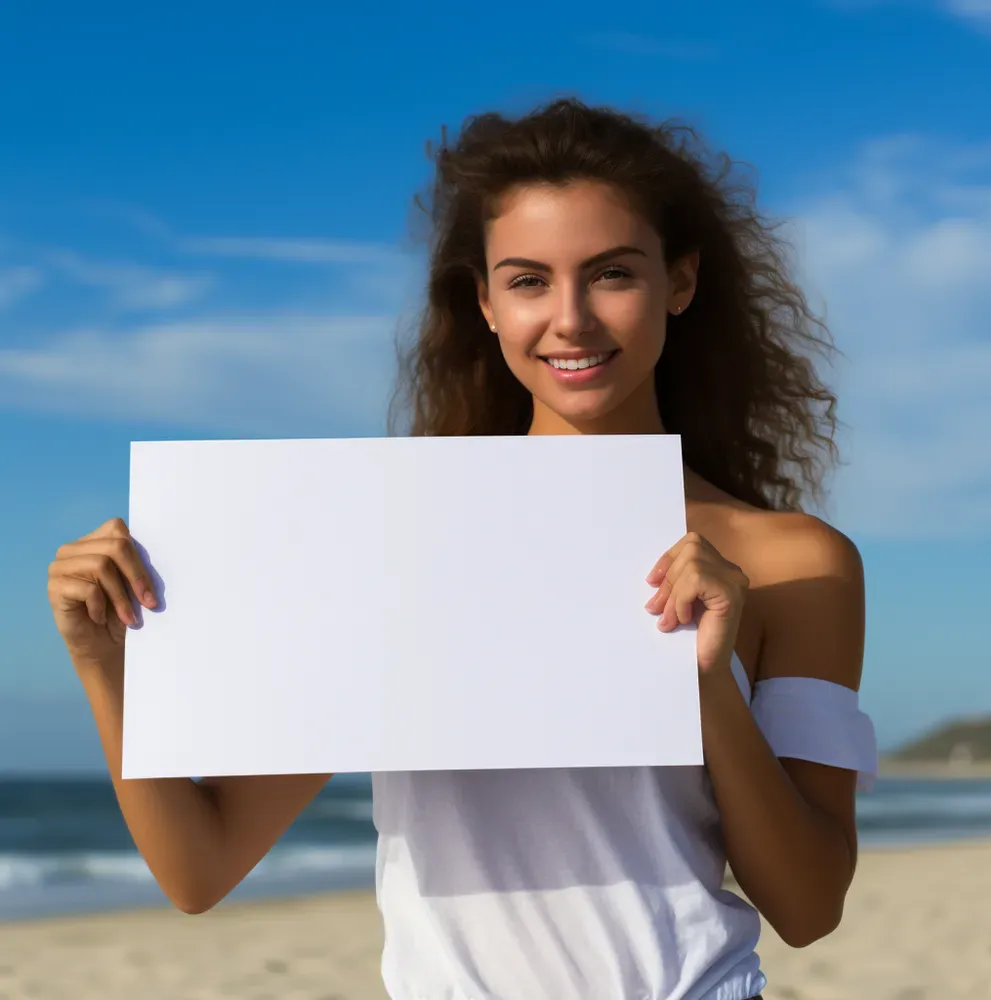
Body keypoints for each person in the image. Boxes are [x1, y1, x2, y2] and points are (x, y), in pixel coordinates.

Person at [47, 98, 878, 1000]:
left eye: (611, 274)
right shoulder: (393, 536)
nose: (571, 319)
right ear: (485, 303)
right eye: (528, 281)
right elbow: (200, 867)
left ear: (679, 281)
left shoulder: (797, 565)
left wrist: (705, 687)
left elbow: (808, 906)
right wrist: (102, 661)